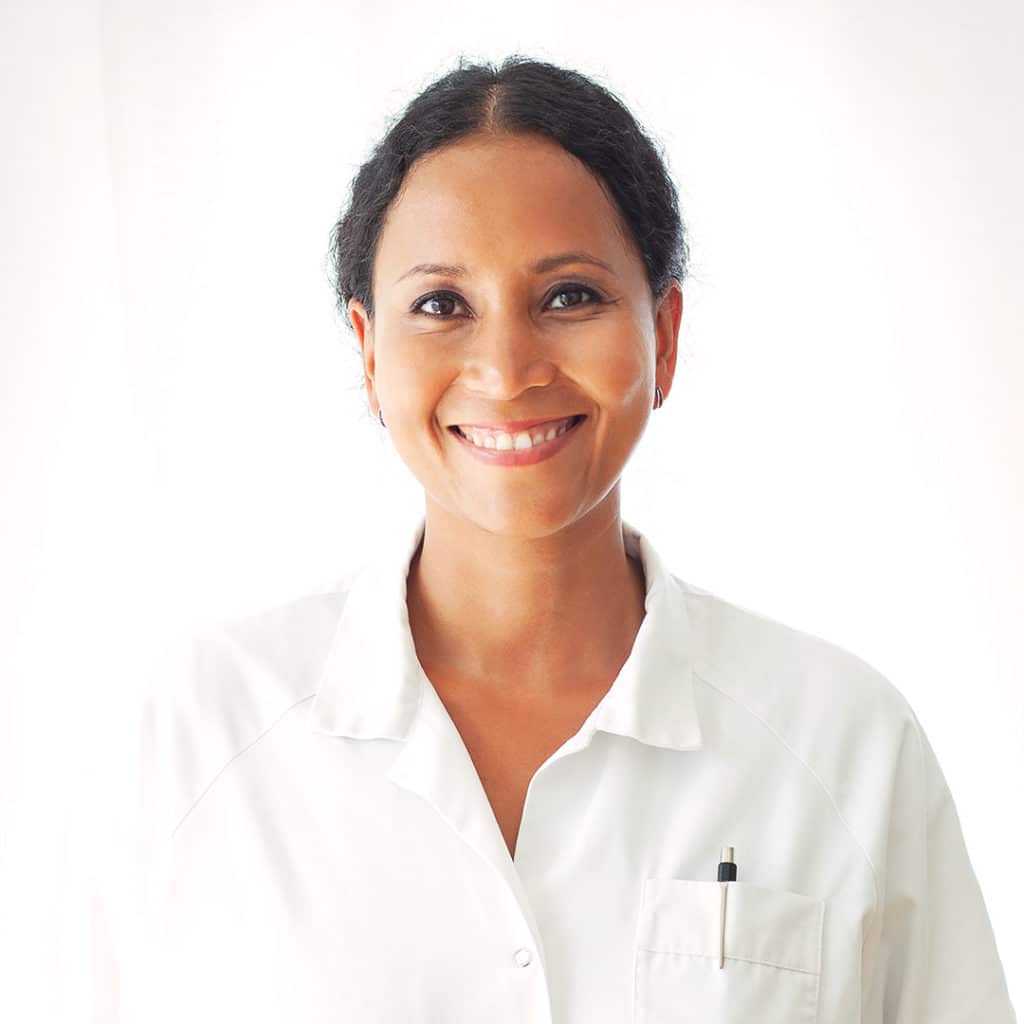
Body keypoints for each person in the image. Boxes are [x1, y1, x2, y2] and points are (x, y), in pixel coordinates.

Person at [70, 55, 1016, 1023]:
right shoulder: (199, 734)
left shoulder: (844, 743)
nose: (507, 367)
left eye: (568, 296)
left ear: (664, 333)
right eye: (442, 305)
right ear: (368, 351)